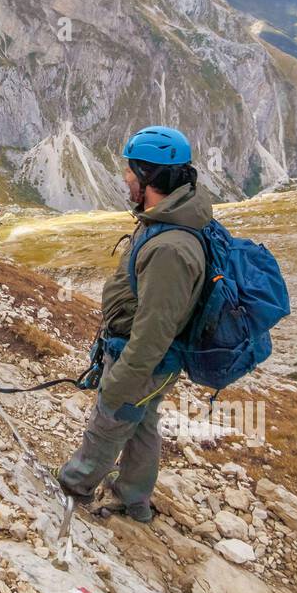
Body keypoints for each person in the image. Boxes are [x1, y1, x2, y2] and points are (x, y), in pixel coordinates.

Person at [53, 126, 212, 522]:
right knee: (141, 424)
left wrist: (120, 380)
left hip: (142, 361)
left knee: (111, 420)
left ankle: (76, 484)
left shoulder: (171, 248)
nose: (124, 178)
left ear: (149, 176)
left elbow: (155, 329)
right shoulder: (165, 218)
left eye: (130, 171)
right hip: (145, 359)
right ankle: (133, 499)